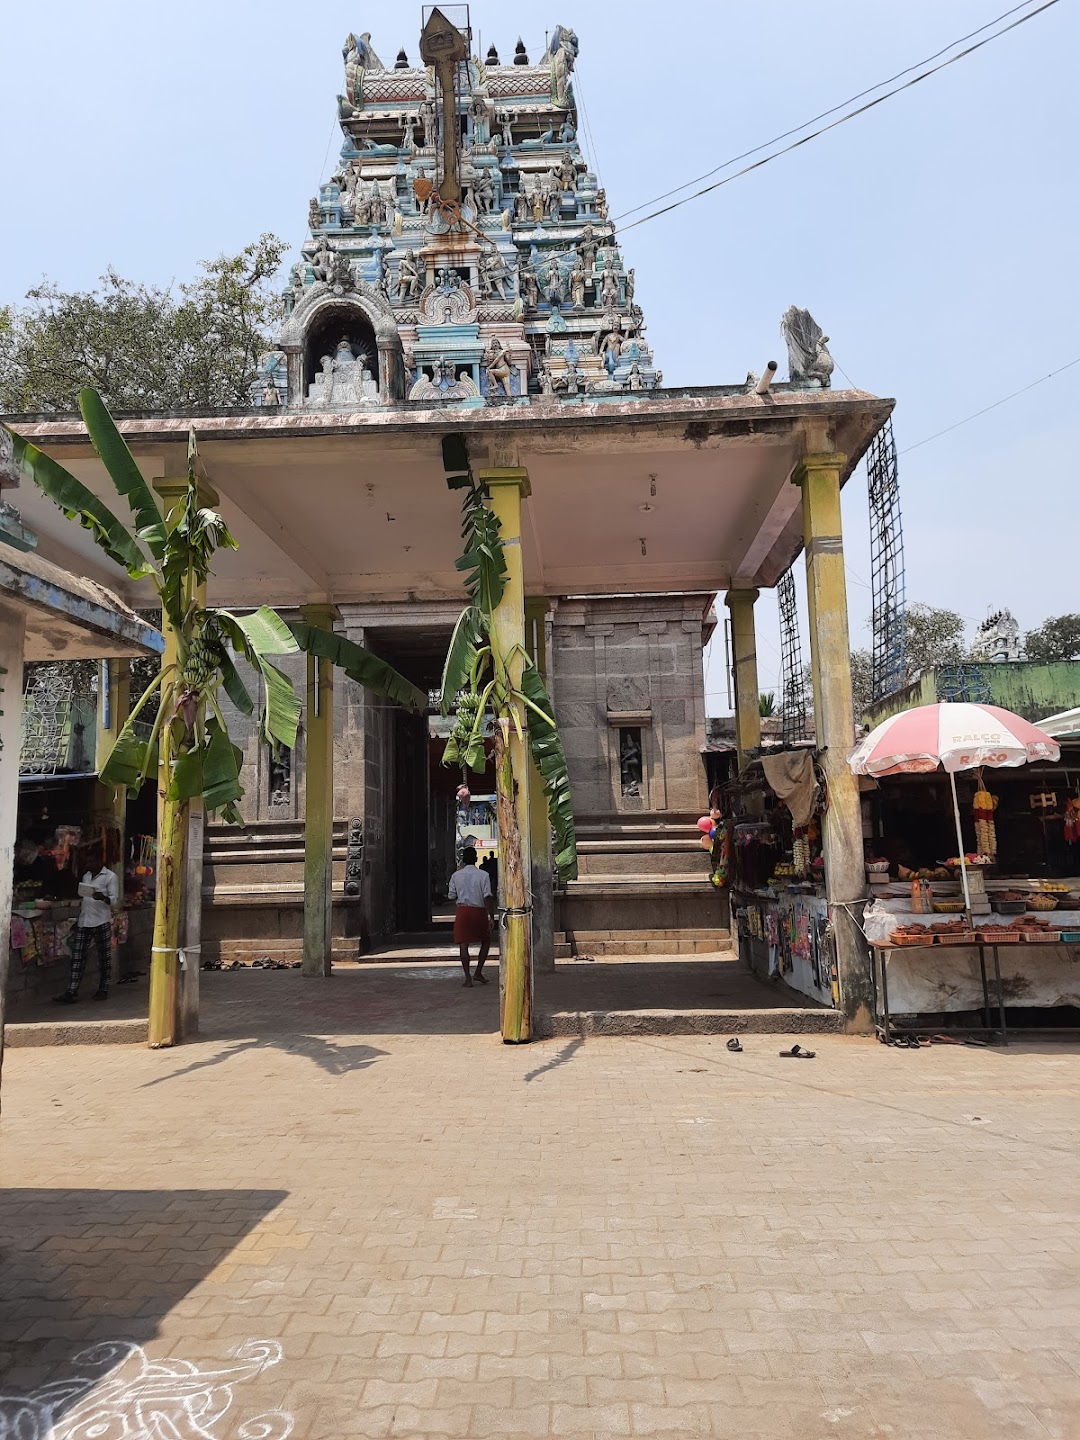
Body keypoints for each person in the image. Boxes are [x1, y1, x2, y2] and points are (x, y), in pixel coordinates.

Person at [55, 847, 118, 1003]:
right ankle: (72, 991)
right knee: (77, 957)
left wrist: (102, 898)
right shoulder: (86, 876)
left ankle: (103, 988)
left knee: (104, 957)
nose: (89, 864)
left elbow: (114, 900)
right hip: (85, 920)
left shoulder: (110, 877)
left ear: (99, 861)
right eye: (87, 861)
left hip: (101, 920)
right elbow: (84, 898)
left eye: (91, 861)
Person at [448, 846, 494, 987]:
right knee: (485, 941)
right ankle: (478, 971)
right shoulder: (483, 875)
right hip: (479, 911)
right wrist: (491, 916)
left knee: (463, 943)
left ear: (463, 860)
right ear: (476, 858)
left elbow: (451, 895)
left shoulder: (456, 876)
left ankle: (467, 978)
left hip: (463, 911)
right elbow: (487, 897)